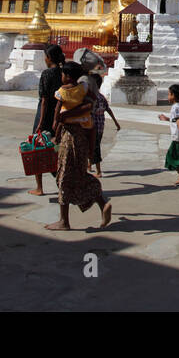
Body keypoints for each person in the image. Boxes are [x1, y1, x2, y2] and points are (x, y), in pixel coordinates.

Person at [45, 60, 112, 231]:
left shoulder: (62, 92)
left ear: (67, 76)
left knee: (64, 177)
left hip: (70, 138)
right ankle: (102, 203)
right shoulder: (83, 88)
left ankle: (64, 221)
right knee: (79, 174)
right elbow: (90, 104)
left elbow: (58, 113)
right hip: (83, 136)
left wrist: (58, 122)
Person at [27, 44, 66, 197]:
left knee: (37, 147)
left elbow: (44, 100)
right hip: (59, 113)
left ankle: (39, 187)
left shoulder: (47, 74)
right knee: (54, 148)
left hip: (46, 113)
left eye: (45, 56)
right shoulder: (64, 72)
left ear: (49, 58)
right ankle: (62, 181)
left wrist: (40, 123)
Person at [90, 84, 120, 178]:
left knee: (95, 148)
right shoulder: (102, 97)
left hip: (92, 128)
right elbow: (108, 109)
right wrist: (116, 122)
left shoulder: (91, 99)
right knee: (92, 146)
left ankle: (98, 171)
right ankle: (89, 164)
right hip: (100, 127)